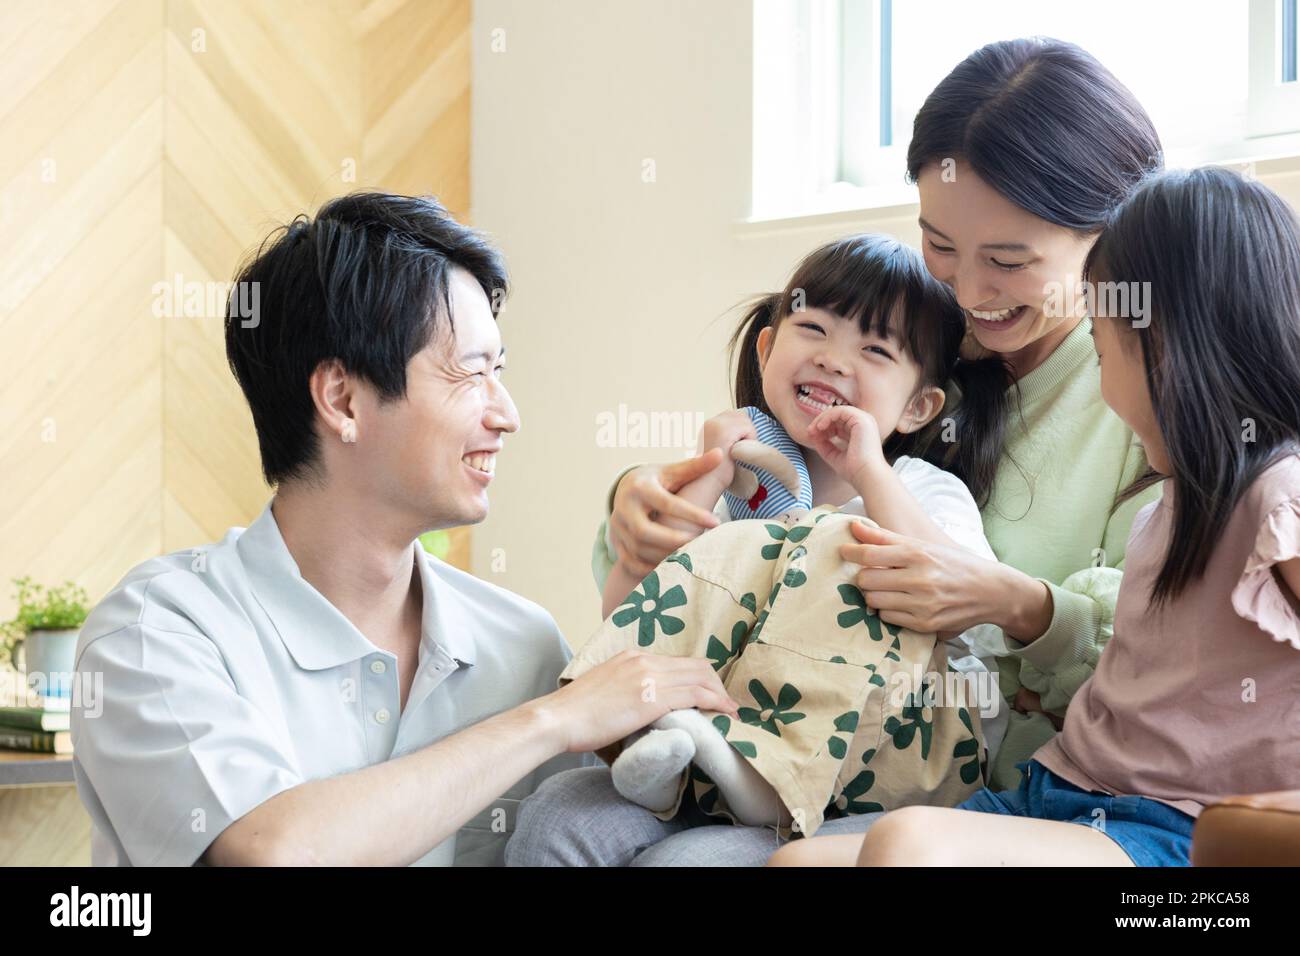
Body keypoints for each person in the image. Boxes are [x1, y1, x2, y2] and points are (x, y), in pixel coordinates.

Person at [511, 37, 1165, 866]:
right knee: (560, 821)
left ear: (1108, 235)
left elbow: (1167, 649)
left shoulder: (1143, 398)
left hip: (959, 789)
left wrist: (1021, 606)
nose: (967, 292)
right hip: (747, 711)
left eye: (1008, 261)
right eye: (940, 244)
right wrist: (641, 500)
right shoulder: (911, 347)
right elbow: (746, 527)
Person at [70, 192, 739, 866]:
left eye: (499, 372)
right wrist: (551, 721)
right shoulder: (157, 632)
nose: (506, 413)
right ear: (343, 399)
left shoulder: (522, 643)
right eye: (472, 371)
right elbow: (270, 855)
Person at [770, 166, 1300, 867]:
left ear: (1164, 347)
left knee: (910, 848)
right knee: (796, 863)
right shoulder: (1168, 508)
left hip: (1171, 829)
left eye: (1105, 343)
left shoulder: (1277, 495)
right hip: (1057, 789)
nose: (1098, 366)